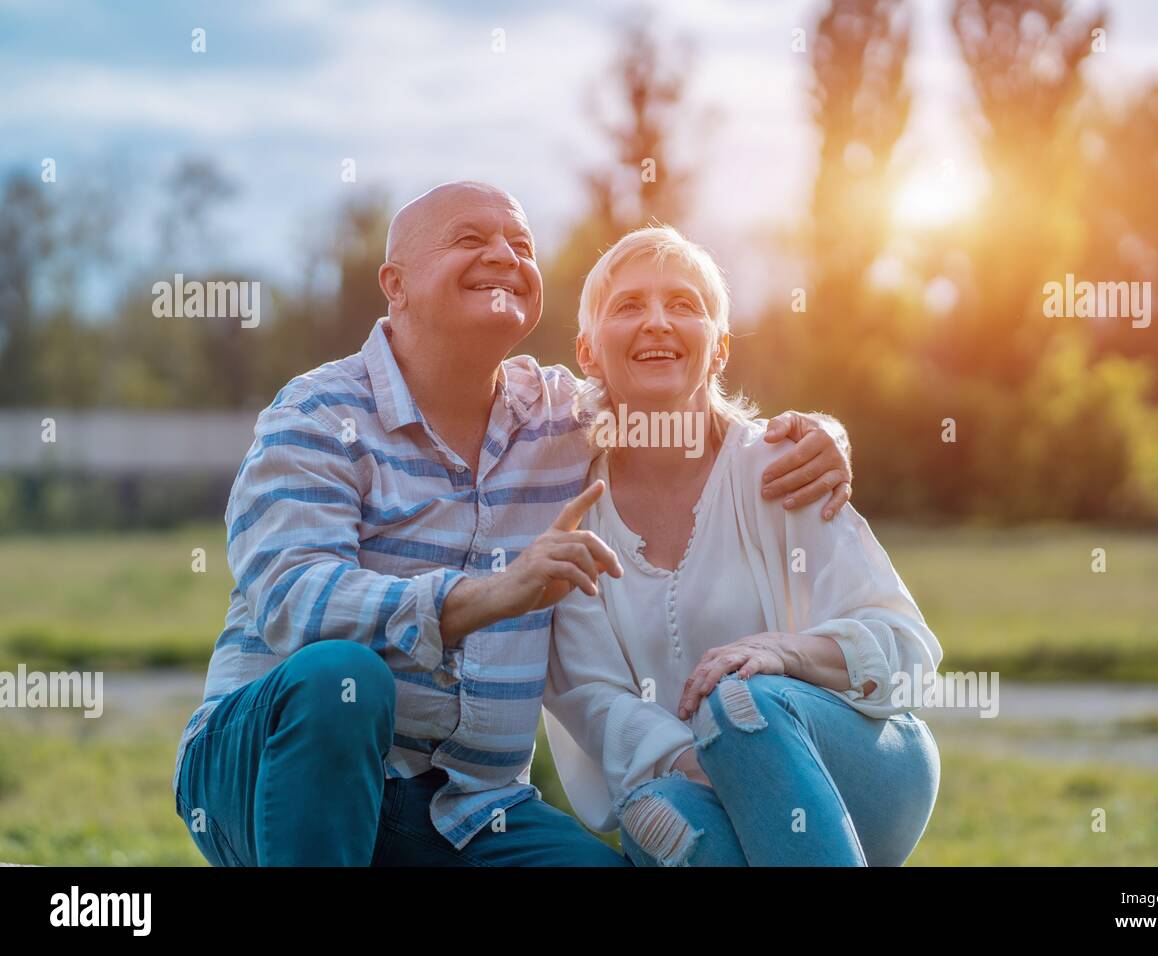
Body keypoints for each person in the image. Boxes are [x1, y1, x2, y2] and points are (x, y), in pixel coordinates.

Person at [172, 181, 854, 866]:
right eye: (471, 240)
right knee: (340, 679)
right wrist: (490, 595)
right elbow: (294, 600)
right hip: (272, 773)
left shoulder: (563, 417)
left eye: (521, 245)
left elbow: (681, 409)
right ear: (395, 285)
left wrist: (819, 435)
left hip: (474, 809)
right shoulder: (318, 414)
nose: (504, 256)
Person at [543, 225, 942, 866]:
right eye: (628, 306)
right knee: (660, 819)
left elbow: (906, 650)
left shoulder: (780, 468)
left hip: (861, 768)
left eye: (683, 304)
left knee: (738, 700)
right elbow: (594, 697)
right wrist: (730, 775)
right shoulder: (571, 513)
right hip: (695, 784)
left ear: (720, 348)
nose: (656, 322)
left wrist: (782, 652)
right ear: (588, 353)